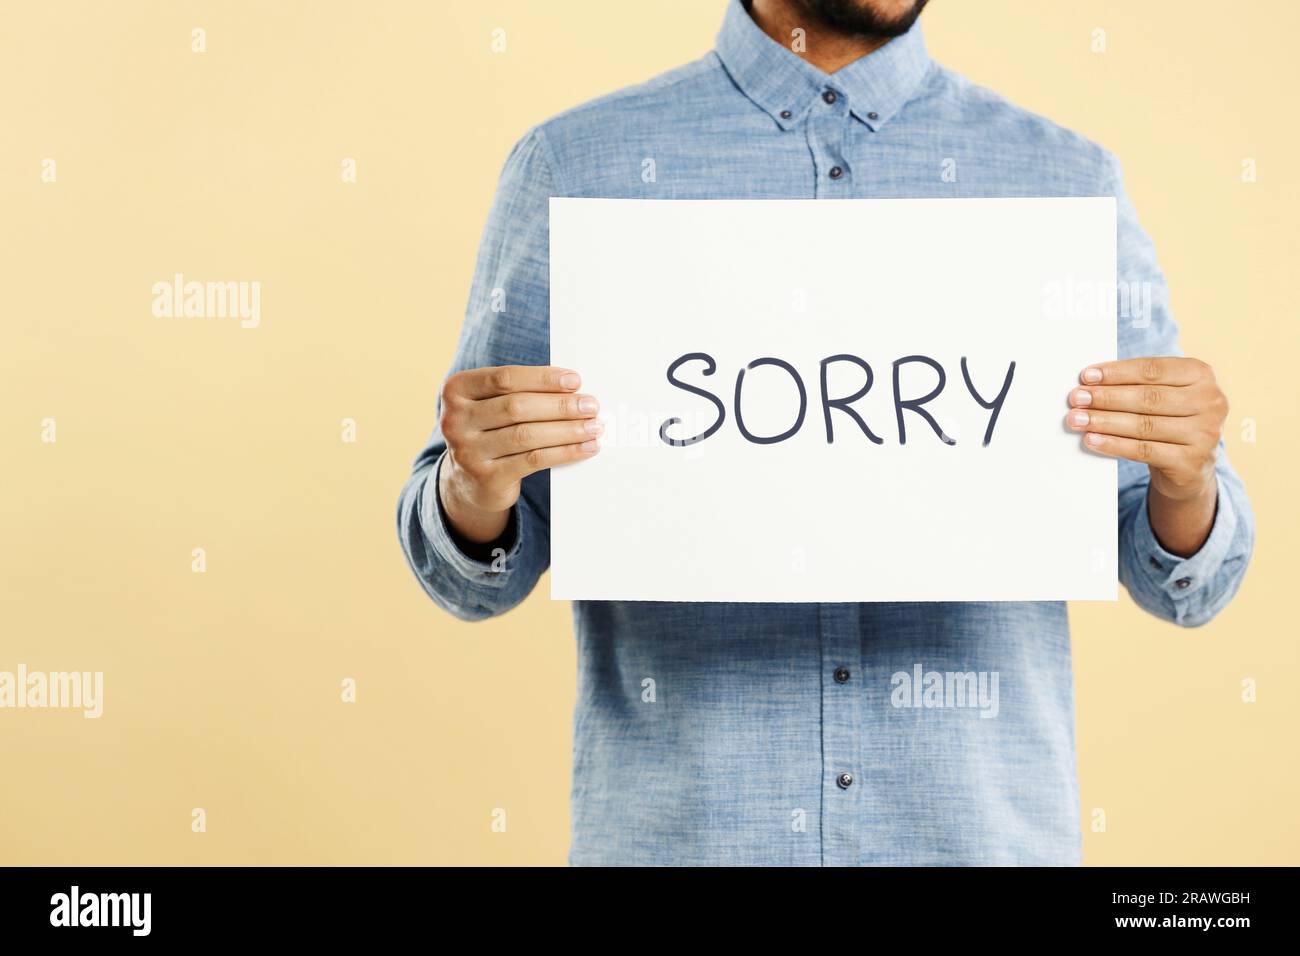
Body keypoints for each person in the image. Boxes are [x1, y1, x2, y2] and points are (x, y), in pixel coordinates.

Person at [396, 0, 1254, 865]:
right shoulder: (579, 167)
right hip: (688, 841)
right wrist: (475, 488)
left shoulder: (1065, 182)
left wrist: (1187, 480)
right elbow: (476, 580)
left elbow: (1184, 582)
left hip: (977, 841)